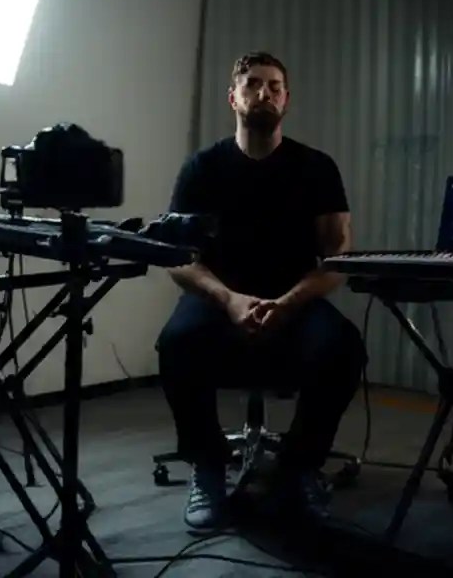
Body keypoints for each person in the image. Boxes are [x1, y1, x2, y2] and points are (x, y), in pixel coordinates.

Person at [157, 51, 367, 531]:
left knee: (343, 346)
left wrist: (288, 302)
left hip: (292, 299)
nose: (263, 93)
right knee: (177, 342)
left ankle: (298, 468)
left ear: (286, 100)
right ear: (233, 97)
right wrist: (229, 300)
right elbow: (179, 258)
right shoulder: (202, 168)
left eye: (274, 86)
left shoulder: (316, 167)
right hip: (218, 298)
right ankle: (207, 467)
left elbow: (337, 257)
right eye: (252, 84)